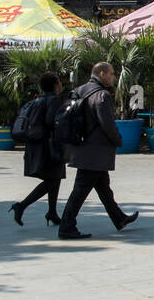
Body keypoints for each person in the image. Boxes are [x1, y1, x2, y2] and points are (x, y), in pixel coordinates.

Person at [57, 62, 138, 240]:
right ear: (101, 74)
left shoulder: (80, 90)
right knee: (80, 190)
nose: (113, 77)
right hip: (96, 150)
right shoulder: (101, 95)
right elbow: (107, 123)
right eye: (111, 74)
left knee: (103, 188)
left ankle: (119, 218)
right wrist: (118, 139)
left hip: (83, 147)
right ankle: (66, 226)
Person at [9, 72, 66, 226]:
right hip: (49, 145)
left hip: (37, 144)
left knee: (55, 177)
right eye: (59, 81)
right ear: (55, 84)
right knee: (52, 179)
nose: (61, 84)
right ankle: (21, 206)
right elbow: (50, 121)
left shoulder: (37, 100)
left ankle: (52, 212)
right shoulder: (54, 100)